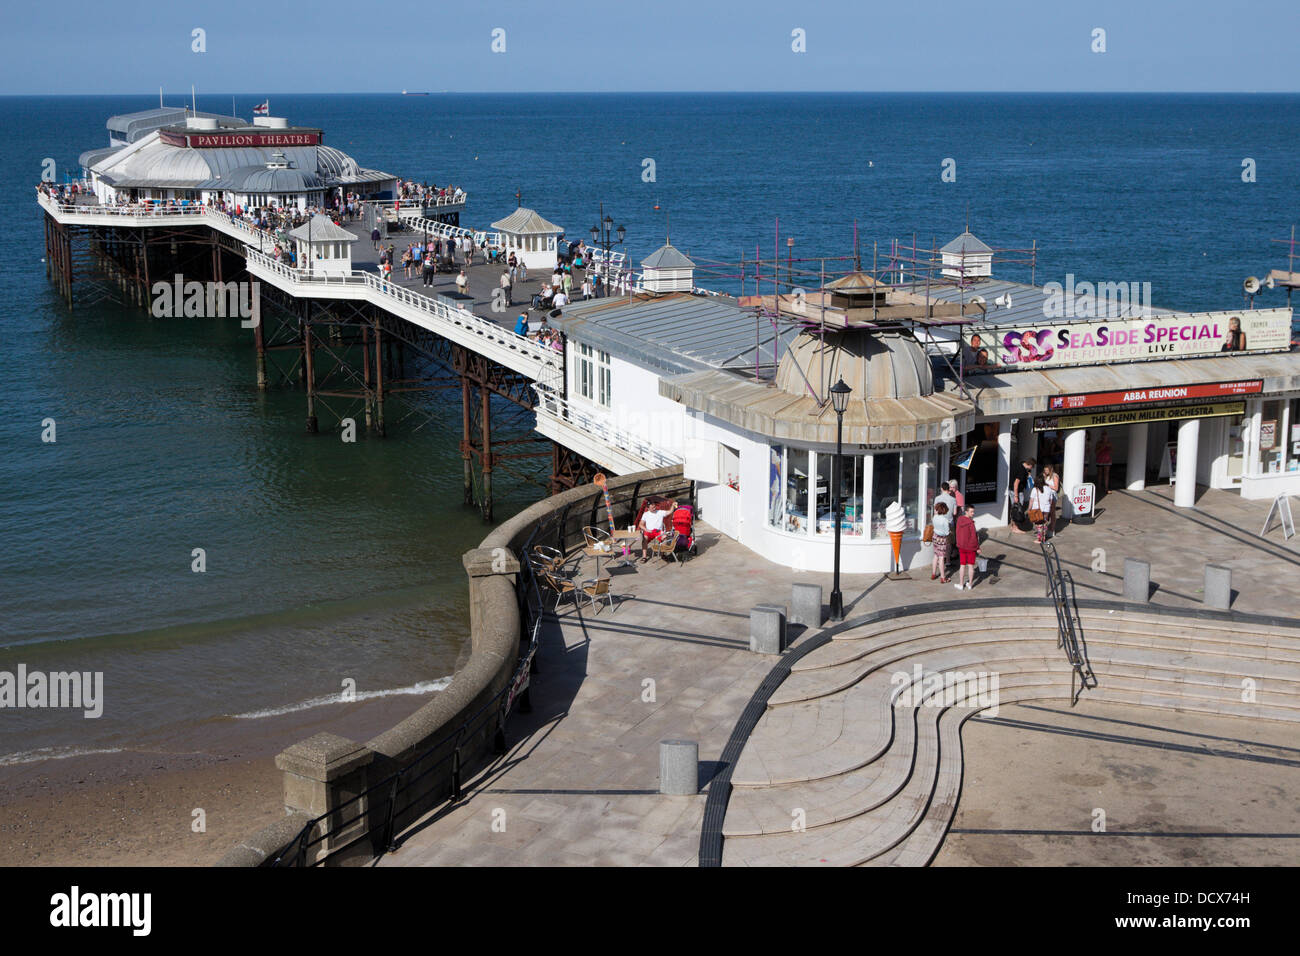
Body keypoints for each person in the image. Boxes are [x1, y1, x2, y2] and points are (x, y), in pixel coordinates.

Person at [954, 506, 979, 591]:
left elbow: (957, 532)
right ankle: (970, 584)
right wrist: (977, 547)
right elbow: (974, 537)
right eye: (971, 512)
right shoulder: (971, 523)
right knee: (971, 566)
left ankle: (961, 584)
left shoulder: (959, 520)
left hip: (961, 546)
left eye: (973, 512)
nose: (973, 513)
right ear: (966, 512)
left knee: (962, 565)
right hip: (970, 548)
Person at [1010, 459, 1035, 534]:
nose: (1031, 469)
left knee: (1014, 509)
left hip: (1012, 490)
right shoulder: (1022, 470)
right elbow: (1016, 483)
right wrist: (1016, 495)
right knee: (1018, 510)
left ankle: (1014, 525)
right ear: (1030, 465)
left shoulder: (1019, 464)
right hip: (1017, 492)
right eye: (1032, 467)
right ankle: (1015, 527)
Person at [930, 501, 952, 583]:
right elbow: (946, 532)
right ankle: (943, 577)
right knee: (942, 558)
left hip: (935, 537)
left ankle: (933, 573)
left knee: (936, 555)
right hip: (942, 539)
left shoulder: (934, 517)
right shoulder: (945, 520)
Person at [1042, 464, 1061, 537]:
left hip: (1052, 495)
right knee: (1046, 512)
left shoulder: (1055, 476)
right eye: (1045, 470)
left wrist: (1047, 485)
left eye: (1047, 470)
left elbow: (1056, 488)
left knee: (1052, 512)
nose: (1046, 471)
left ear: (1050, 470)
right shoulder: (1045, 475)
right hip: (1045, 495)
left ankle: (1052, 529)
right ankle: (1045, 529)